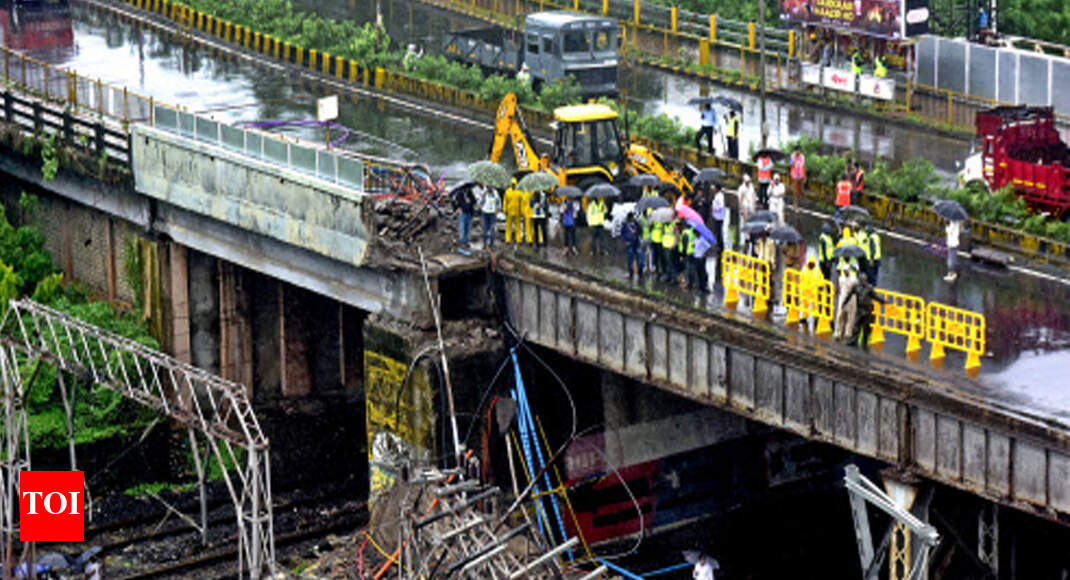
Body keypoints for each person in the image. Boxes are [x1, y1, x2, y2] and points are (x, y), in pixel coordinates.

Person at [844, 274, 886, 350]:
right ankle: (853, 341)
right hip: (859, 309)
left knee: (866, 328)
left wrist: (883, 301)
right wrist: (844, 303)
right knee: (856, 326)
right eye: (862, 280)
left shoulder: (869, 288)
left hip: (867, 310)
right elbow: (849, 295)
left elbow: (875, 296)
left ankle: (865, 343)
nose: (863, 282)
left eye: (864, 280)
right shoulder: (856, 287)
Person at [834, 264, 859, 341]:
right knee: (840, 315)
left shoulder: (853, 279)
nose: (845, 272)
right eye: (844, 271)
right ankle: (838, 331)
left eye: (846, 271)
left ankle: (848, 333)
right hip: (843, 297)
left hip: (851, 299)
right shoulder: (841, 278)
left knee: (851, 316)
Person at [480, 184, 500, 249]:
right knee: (485, 229)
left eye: (491, 187)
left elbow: (499, 202)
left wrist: (498, 210)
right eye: (488, 187)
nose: (490, 188)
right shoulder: (484, 193)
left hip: (492, 213)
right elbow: (480, 203)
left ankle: (491, 244)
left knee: (492, 229)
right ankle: (484, 244)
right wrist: (483, 197)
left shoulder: (496, 193)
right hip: (485, 213)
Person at [623, 213, 643, 277]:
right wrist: (625, 241)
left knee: (639, 257)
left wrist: (636, 231)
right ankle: (630, 272)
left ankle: (640, 271)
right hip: (629, 243)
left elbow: (640, 231)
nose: (632, 219)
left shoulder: (636, 224)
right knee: (630, 258)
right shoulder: (625, 225)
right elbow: (622, 234)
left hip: (636, 243)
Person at [504, 179, 523, 245]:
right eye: (512, 184)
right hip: (509, 211)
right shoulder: (507, 192)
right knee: (508, 226)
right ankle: (508, 239)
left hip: (517, 211)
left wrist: (521, 211)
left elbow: (521, 202)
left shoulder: (519, 192)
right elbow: (505, 201)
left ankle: (518, 239)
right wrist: (505, 210)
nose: (513, 185)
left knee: (518, 226)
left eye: (514, 184)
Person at [680, 225, 699, 290]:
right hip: (693, 252)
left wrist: (682, 254)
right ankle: (692, 282)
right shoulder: (692, 232)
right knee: (692, 268)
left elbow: (684, 244)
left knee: (687, 268)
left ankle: (688, 283)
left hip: (688, 253)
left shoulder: (685, 233)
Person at [790, 145, 806, 213]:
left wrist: (805, 176)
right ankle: (795, 205)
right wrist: (795, 159)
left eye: (799, 150)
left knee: (800, 191)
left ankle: (798, 204)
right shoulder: (792, 156)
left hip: (801, 175)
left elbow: (803, 166)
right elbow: (791, 164)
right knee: (795, 191)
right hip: (795, 176)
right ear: (795, 150)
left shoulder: (802, 156)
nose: (798, 152)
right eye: (797, 150)